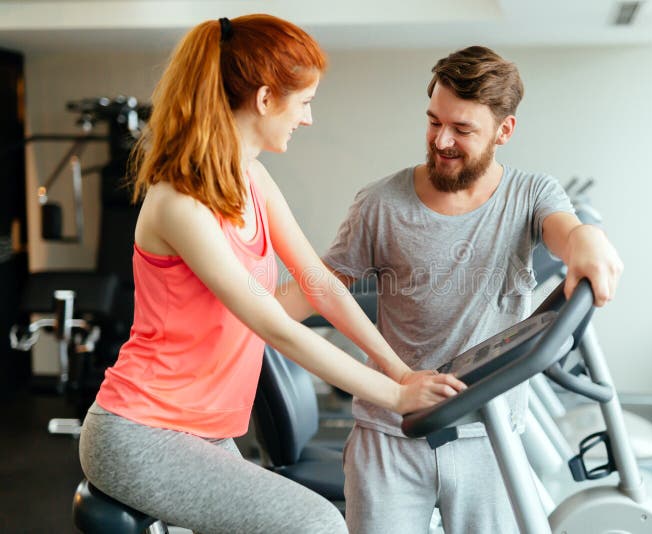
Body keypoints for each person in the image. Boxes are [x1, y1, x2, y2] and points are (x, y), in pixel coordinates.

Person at [78, 14, 465, 534]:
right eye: (303, 102)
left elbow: (319, 282)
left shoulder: (253, 178)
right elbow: (275, 326)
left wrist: (401, 372)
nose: (307, 119)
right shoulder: (179, 205)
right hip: (140, 432)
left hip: (206, 433)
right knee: (315, 525)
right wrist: (393, 397)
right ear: (264, 99)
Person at [309, 45, 623, 533]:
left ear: (504, 131)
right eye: (434, 122)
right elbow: (320, 288)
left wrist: (587, 239)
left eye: (462, 129)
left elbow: (566, 230)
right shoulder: (378, 203)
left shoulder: (531, 194)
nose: (441, 140)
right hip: (390, 437)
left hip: (490, 436)